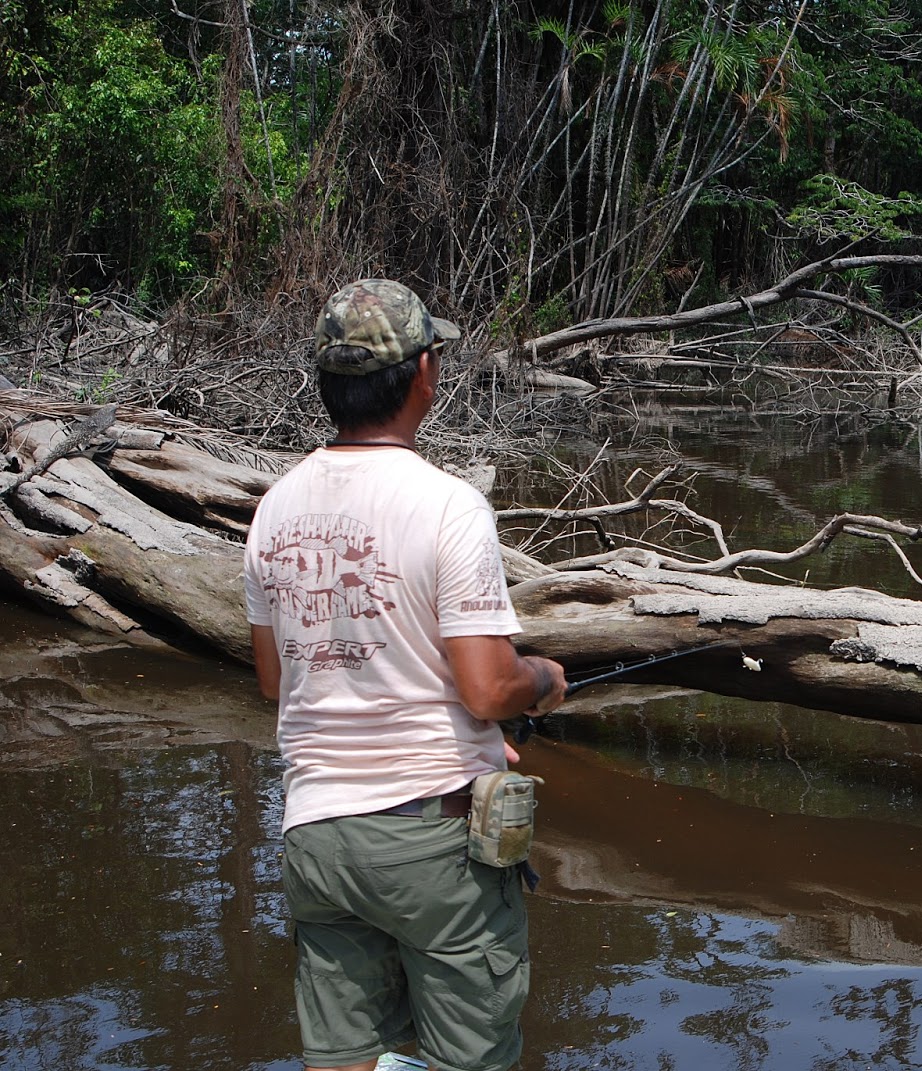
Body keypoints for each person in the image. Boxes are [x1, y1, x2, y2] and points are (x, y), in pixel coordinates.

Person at [243, 279, 567, 1071]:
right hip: (432, 841)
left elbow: (277, 680)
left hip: (315, 832)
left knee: (344, 1055)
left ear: (327, 380)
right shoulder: (449, 505)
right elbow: (487, 688)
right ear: (424, 373)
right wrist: (541, 678)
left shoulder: (274, 508)